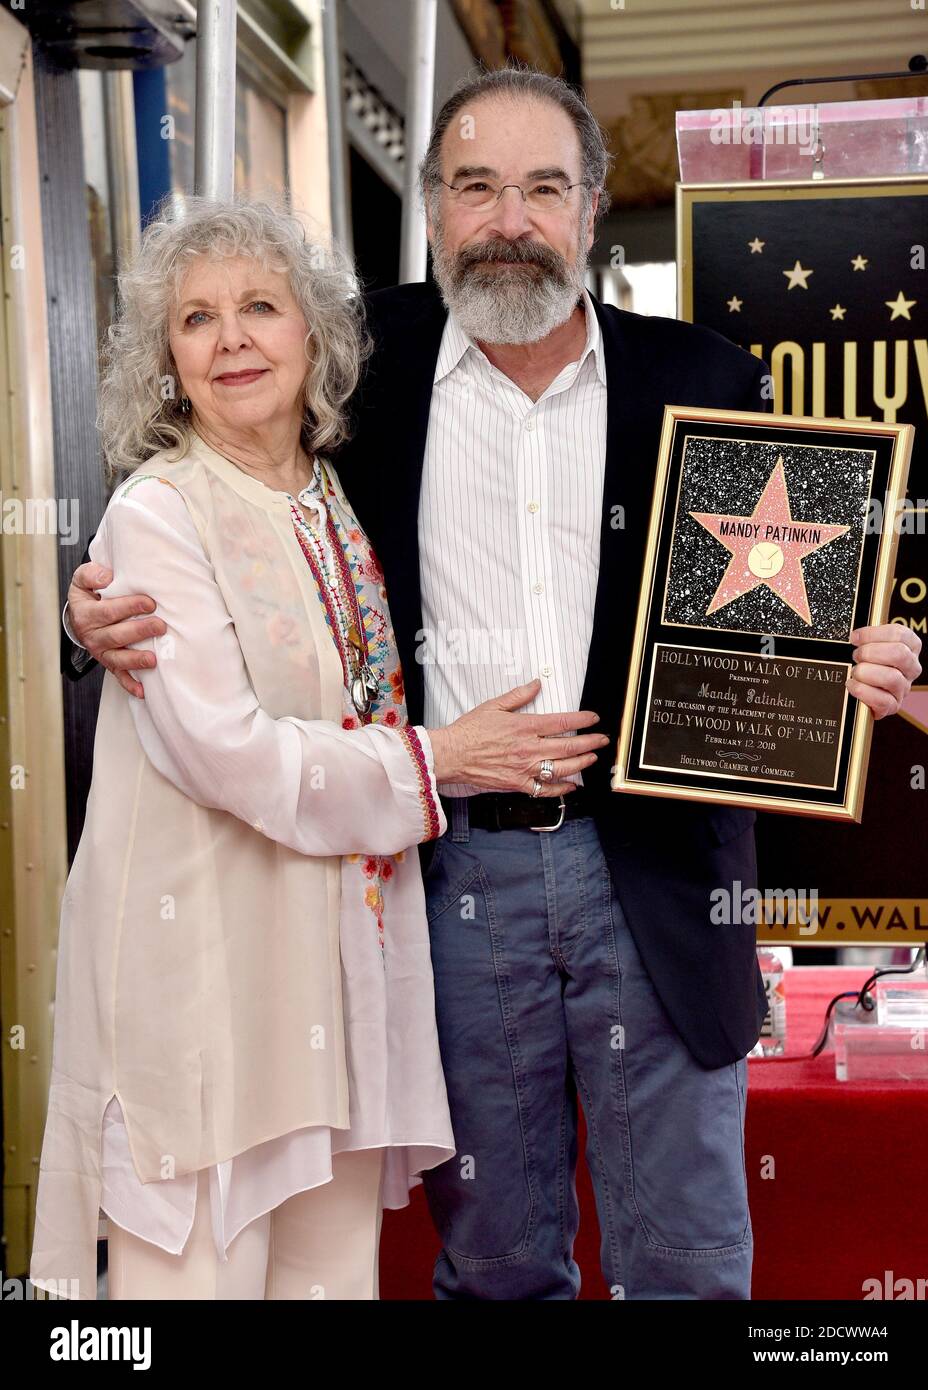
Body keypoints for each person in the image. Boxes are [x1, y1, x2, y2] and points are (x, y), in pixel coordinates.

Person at [64, 69, 922, 1300]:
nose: (508, 219)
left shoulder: (711, 380)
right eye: (476, 187)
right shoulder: (353, 369)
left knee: (685, 1264)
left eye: (542, 188)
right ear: (431, 211)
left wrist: (852, 655)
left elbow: (782, 617)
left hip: (662, 872)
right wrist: (93, 595)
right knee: (496, 1266)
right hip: (441, 876)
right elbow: (212, 493)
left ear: (587, 215)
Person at [31, 195, 607, 1302]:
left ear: (317, 336)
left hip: (336, 986)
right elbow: (230, 754)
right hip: (205, 984)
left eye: (260, 306)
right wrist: (443, 760)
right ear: (166, 358)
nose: (232, 338)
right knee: (186, 1282)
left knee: (327, 1282)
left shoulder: (333, 494)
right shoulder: (159, 513)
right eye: (196, 320)